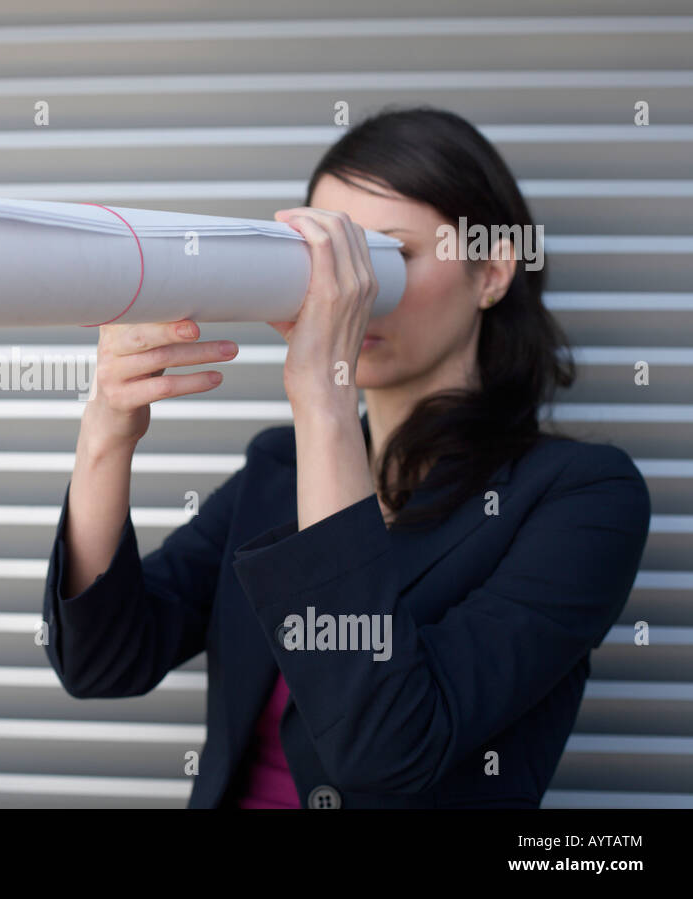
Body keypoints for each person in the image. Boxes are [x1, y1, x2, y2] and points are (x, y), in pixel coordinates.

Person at [40, 106, 651, 809]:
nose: (354, 291)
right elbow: (104, 658)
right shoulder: (279, 470)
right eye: (335, 260)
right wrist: (108, 430)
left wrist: (323, 397)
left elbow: (388, 748)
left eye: (389, 256)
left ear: (492, 272)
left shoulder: (581, 499)